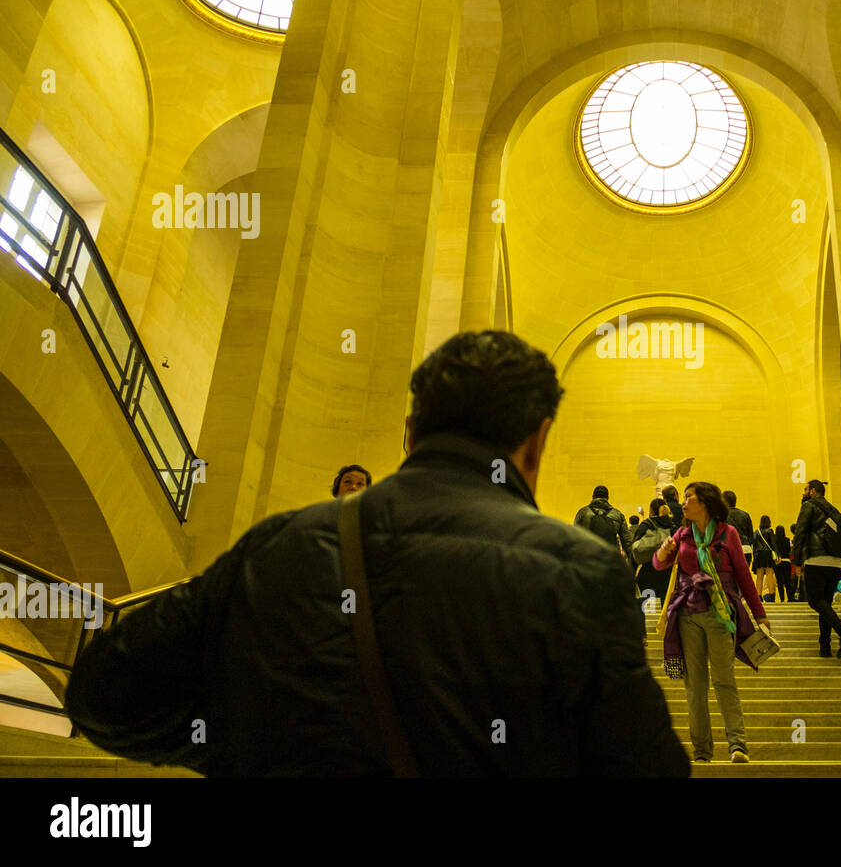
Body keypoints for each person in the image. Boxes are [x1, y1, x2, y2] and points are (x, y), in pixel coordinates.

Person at [65, 330, 689, 777]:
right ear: (537, 441)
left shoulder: (277, 547)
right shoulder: (580, 569)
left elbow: (103, 691)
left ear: (411, 433)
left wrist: (238, 748)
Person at [652, 481, 770, 764]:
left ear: (704, 502)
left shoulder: (727, 534)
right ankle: (702, 751)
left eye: (688, 497)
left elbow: (743, 576)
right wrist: (664, 552)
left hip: (720, 615)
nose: (683, 502)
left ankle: (737, 745)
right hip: (687, 615)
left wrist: (760, 614)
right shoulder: (681, 535)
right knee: (695, 685)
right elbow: (658, 564)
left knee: (723, 679)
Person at [791, 480, 841, 659]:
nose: (803, 492)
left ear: (812, 491)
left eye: (805, 489)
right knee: (825, 604)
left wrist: (797, 561)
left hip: (816, 559)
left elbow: (800, 533)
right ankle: (825, 648)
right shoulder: (833, 509)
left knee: (815, 601)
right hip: (836, 562)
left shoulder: (809, 506)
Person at [574, 484, 633, 565]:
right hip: (610, 558)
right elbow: (627, 542)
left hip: (588, 558)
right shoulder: (617, 514)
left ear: (592, 497)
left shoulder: (583, 512)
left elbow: (575, 537)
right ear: (608, 498)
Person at [633, 499, 676, 607]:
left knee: (644, 604)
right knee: (666, 605)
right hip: (667, 570)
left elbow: (635, 549)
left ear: (651, 510)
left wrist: (632, 570)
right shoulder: (672, 526)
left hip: (648, 569)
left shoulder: (646, 525)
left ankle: (643, 623)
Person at [722, 491, 754, 567]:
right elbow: (751, 535)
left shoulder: (722, 515)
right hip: (746, 549)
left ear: (724, 501)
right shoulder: (745, 514)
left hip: (730, 550)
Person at [752, 515, 777, 602]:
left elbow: (754, 546)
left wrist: (754, 557)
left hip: (758, 555)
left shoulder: (756, 532)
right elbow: (773, 544)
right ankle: (771, 595)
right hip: (767, 554)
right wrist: (778, 555)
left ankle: (758, 597)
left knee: (759, 577)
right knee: (769, 575)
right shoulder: (770, 531)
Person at [772, 524, 793, 603]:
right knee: (788, 581)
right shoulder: (788, 540)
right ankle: (790, 598)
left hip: (778, 562)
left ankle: (782, 599)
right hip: (787, 561)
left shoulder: (774, 541)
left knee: (780, 582)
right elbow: (790, 551)